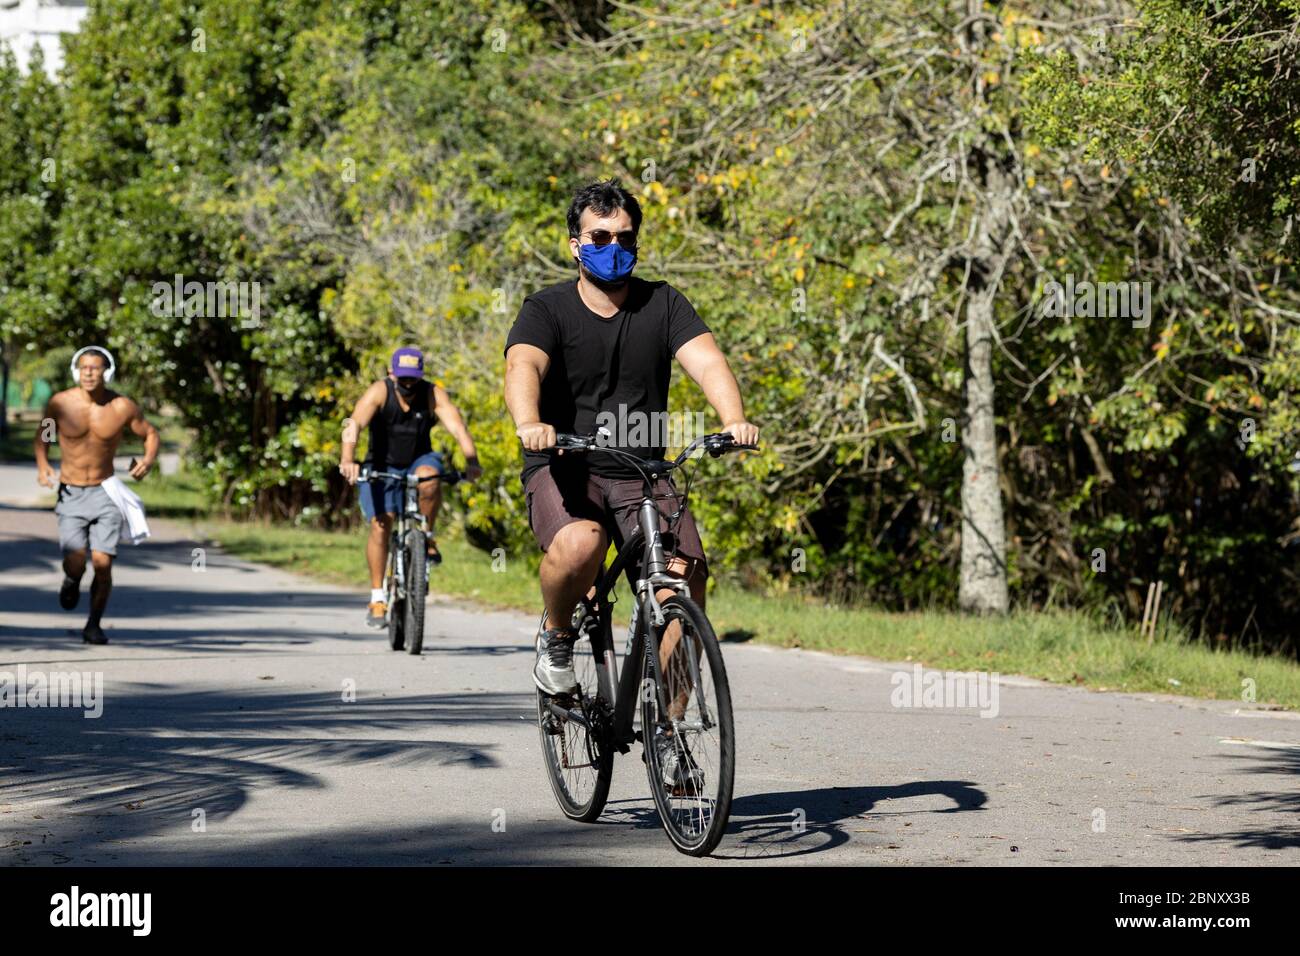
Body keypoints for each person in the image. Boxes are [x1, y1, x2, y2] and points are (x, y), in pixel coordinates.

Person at [504, 178, 759, 704]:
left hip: (642, 470)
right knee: (581, 544)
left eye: (624, 237)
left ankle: (673, 732)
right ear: (575, 244)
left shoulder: (662, 303)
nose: (613, 248)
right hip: (564, 464)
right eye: (599, 238)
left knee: (683, 581)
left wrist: (733, 418)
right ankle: (555, 638)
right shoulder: (546, 309)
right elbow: (523, 363)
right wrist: (530, 421)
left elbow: (707, 361)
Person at [339, 347, 482, 628]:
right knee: (382, 524)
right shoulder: (379, 392)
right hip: (381, 463)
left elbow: (457, 427)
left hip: (419, 459)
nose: (407, 385)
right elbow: (353, 424)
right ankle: (377, 597)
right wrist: (347, 460)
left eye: (412, 379)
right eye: (402, 379)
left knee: (430, 476)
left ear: (421, 376)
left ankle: (426, 536)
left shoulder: (432, 393)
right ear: (392, 374)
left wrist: (472, 461)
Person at [35, 346, 159, 645]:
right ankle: (72, 579)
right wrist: (42, 465)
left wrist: (148, 460)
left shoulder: (121, 407)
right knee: (76, 560)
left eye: (97, 367)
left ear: (107, 371)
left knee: (103, 563)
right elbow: (44, 434)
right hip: (71, 492)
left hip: (105, 492)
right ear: (77, 371)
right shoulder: (60, 403)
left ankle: (93, 624)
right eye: (85, 368)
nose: (90, 373)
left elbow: (150, 434)